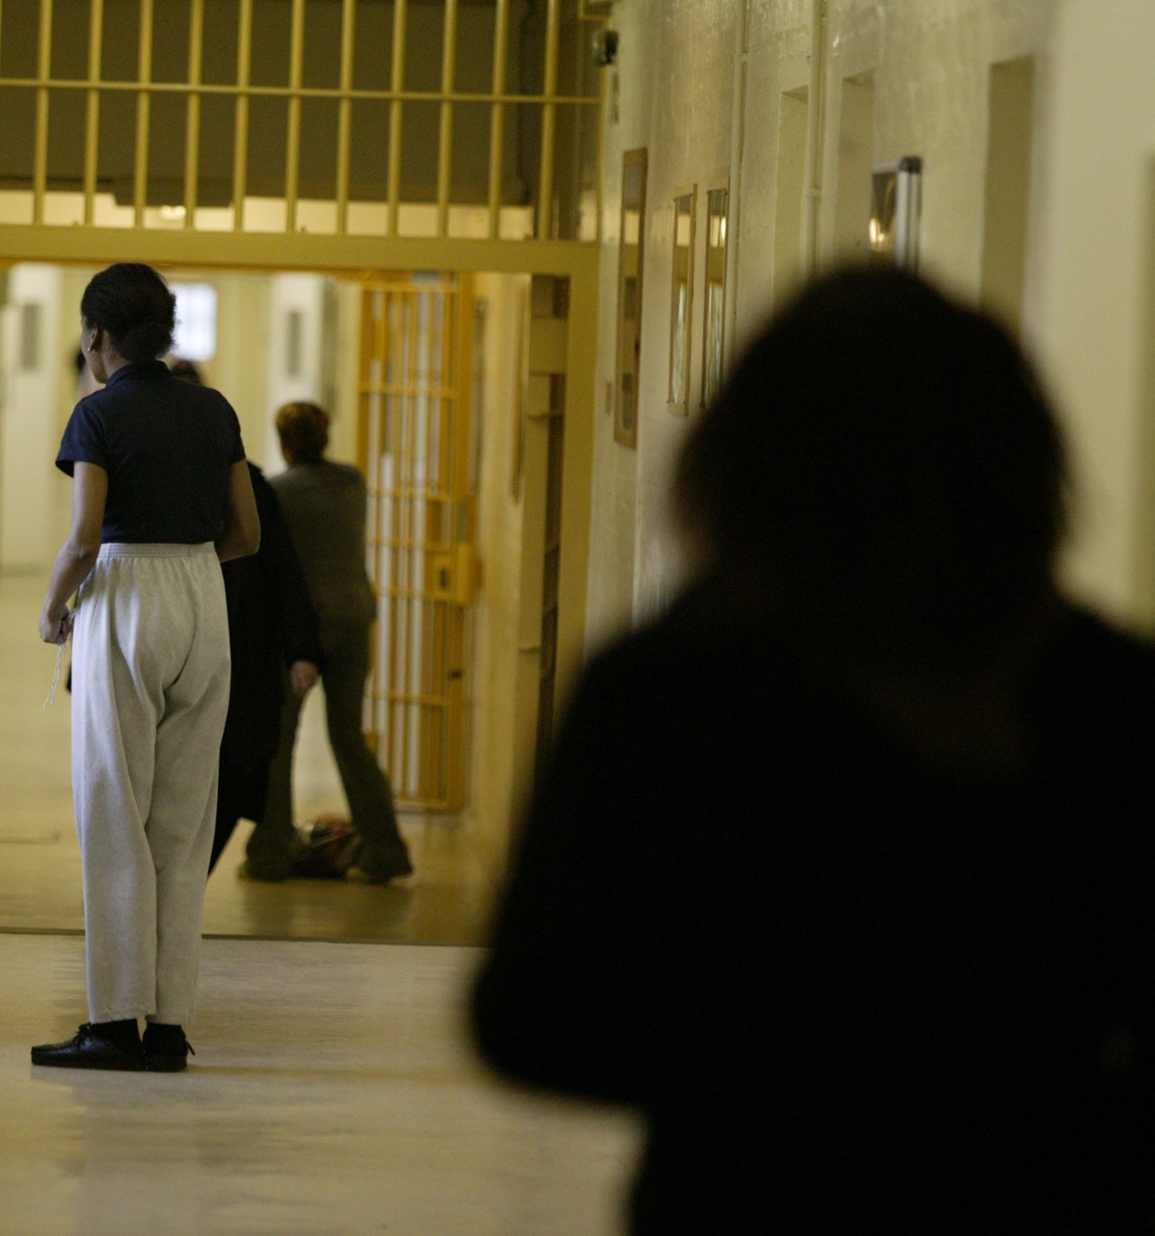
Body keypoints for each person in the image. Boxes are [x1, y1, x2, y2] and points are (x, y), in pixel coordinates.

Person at [471, 268, 1155, 1231]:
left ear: (745, 470)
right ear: (1023, 468)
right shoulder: (1109, 697)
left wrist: (751, 1078)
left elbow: (530, 1020)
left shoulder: (670, 692)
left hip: (740, 1196)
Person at [32, 263, 260, 1073]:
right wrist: (188, 566)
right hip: (203, 593)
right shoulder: (214, 408)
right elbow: (247, 534)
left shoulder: (97, 414)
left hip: (125, 593)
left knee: (113, 807)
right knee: (183, 821)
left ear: (97, 335)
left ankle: (111, 1021)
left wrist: (54, 606)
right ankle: (167, 1025)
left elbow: (84, 537)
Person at [247, 402, 414, 883]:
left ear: (284, 443)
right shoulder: (353, 482)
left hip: (302, 628)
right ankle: (386, 851)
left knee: (278, 741)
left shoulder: (277, 493)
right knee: (349, 737)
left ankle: (271, 853)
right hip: (355, 618)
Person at [210, 460, 322, 872]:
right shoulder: (248, 483)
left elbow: (280, 567)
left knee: (235, 769)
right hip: (233, 648)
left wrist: (301, 649)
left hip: (236, 647)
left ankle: (178, 886)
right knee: (232, 767)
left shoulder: (250, 486)